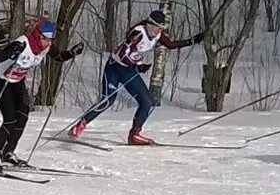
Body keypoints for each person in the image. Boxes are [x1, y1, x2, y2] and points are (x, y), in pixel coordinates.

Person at [67, 9, 205, 145]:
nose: (158, 31)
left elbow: (170, 44)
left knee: (147, 102)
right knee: (107, 100)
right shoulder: (138, 32)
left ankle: (135, 134)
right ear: (149, 23)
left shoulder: (157, 34)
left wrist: (192, 41)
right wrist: (137, 67)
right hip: (115, 68)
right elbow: (122, 54)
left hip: (129, 71)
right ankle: (80, 125)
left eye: (161, 28)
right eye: (157, 27)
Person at [0, 20, 82, 170]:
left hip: (18, 83)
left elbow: (59, 57)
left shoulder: (46, 47)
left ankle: (8, 153)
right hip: (3, 82)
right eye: (45, 39)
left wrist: (72, 53)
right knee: (10, 120)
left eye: (50, 40)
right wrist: (12, 52)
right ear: (37, 35)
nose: (47, 43)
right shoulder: (23, 43)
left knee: (23, 115)